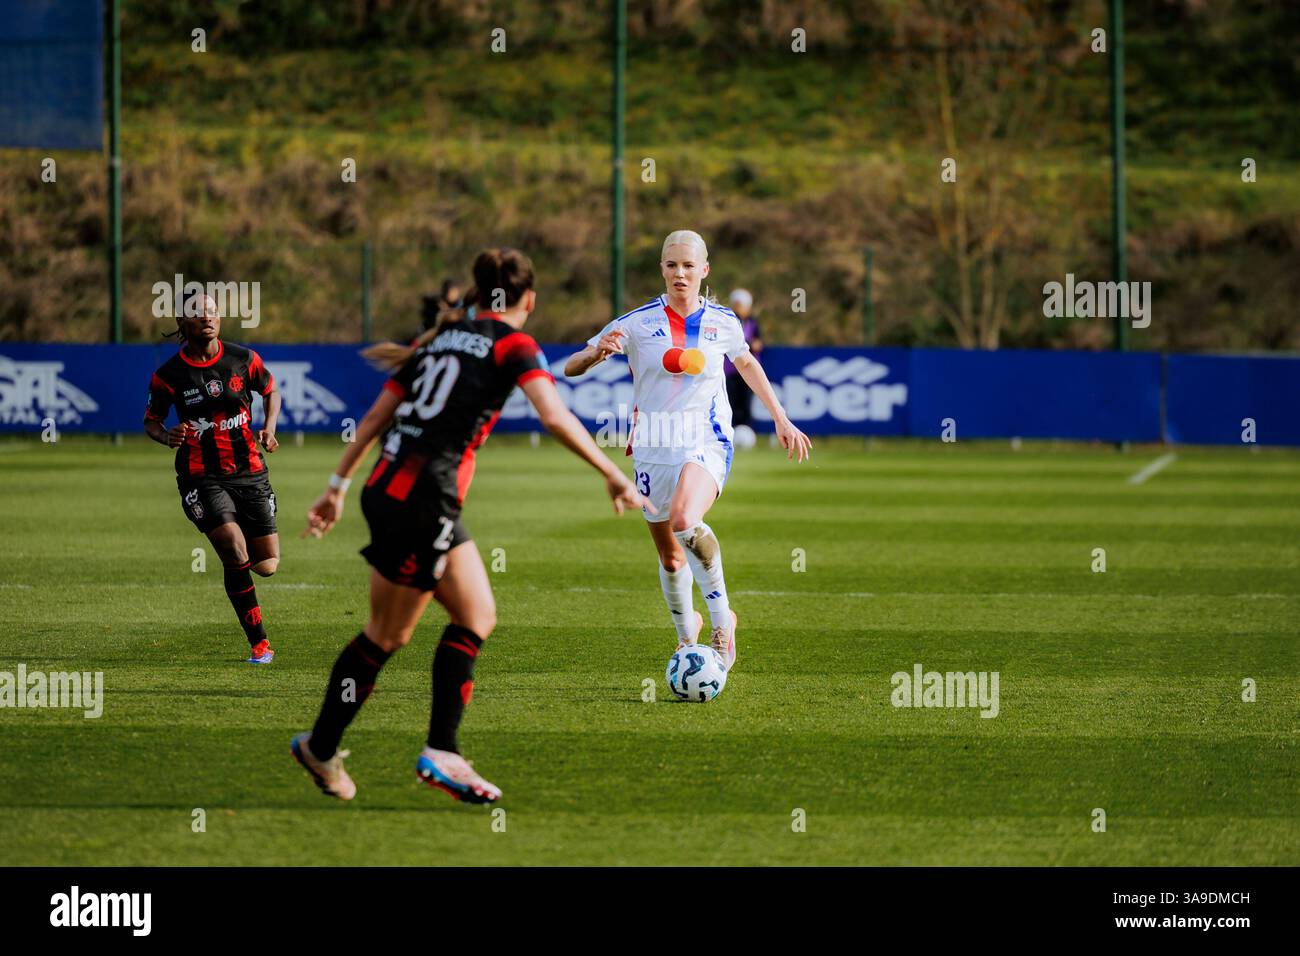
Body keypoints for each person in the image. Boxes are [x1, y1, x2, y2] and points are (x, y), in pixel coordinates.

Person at [292, 248, 649, 804]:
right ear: (528, 300)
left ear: (480, 294)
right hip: (425, 499)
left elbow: (372, 421)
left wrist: (336, 488)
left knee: (473, 613)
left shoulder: (438, 338)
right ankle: (418, 751)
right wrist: (611, 472)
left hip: (385, 488)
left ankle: (355, 747)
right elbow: (553, 415)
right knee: (388, 635)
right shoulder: (514, 344)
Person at [564, 230, 810, 667]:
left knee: (684, 518)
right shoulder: (635, 322)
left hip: (706, 439)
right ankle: (686, 635)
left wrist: (780, 416)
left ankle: (721, 623)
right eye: (672, 264)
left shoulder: (723, 322)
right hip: (652, 446)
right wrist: (599, 353)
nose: (680, 273)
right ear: (662, 268)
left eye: (689, 265)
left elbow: (747, 361)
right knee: (671, 556)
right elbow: (571, 366)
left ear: (704, 270)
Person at [143, 290, 282, 665]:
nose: (207, 316)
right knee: (233, 550)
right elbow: (151, 421)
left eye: (213, 311)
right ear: (182, 323)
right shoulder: (169, 376)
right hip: (201, 477)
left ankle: (240, 574)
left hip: (250, 472)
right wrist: (167, 435)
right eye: (198, 312)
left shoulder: (243, 359)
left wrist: (268, 428)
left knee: (266, 564)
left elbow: (271, 391)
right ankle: (260, 645)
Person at [724, 288, 763, 432]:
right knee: (731, 404)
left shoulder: (752, 322)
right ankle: (730, 432)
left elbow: (759, 344)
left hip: (748, 370)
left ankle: (746, 433)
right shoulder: (728, 320)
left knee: (746, 404)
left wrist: (750, 344)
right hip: (731, 370)